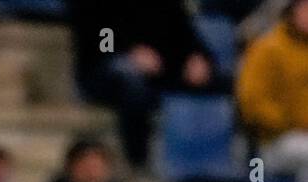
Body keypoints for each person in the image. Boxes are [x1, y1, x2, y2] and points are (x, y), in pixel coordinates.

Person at [68, 0, 215, 168]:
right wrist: (128, 52)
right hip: (103, 66)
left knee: (212, 77)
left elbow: (183, 30)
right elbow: (98, 38)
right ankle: (138, 161)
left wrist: (197, 55)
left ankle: (199, 162)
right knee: (131, 78)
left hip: (158, 68)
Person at [237, 0, 308, 182]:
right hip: (273, 141)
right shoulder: (267, 48)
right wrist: (293, 124)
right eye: (305, 8)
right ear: (291, 11)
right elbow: (252, 102)